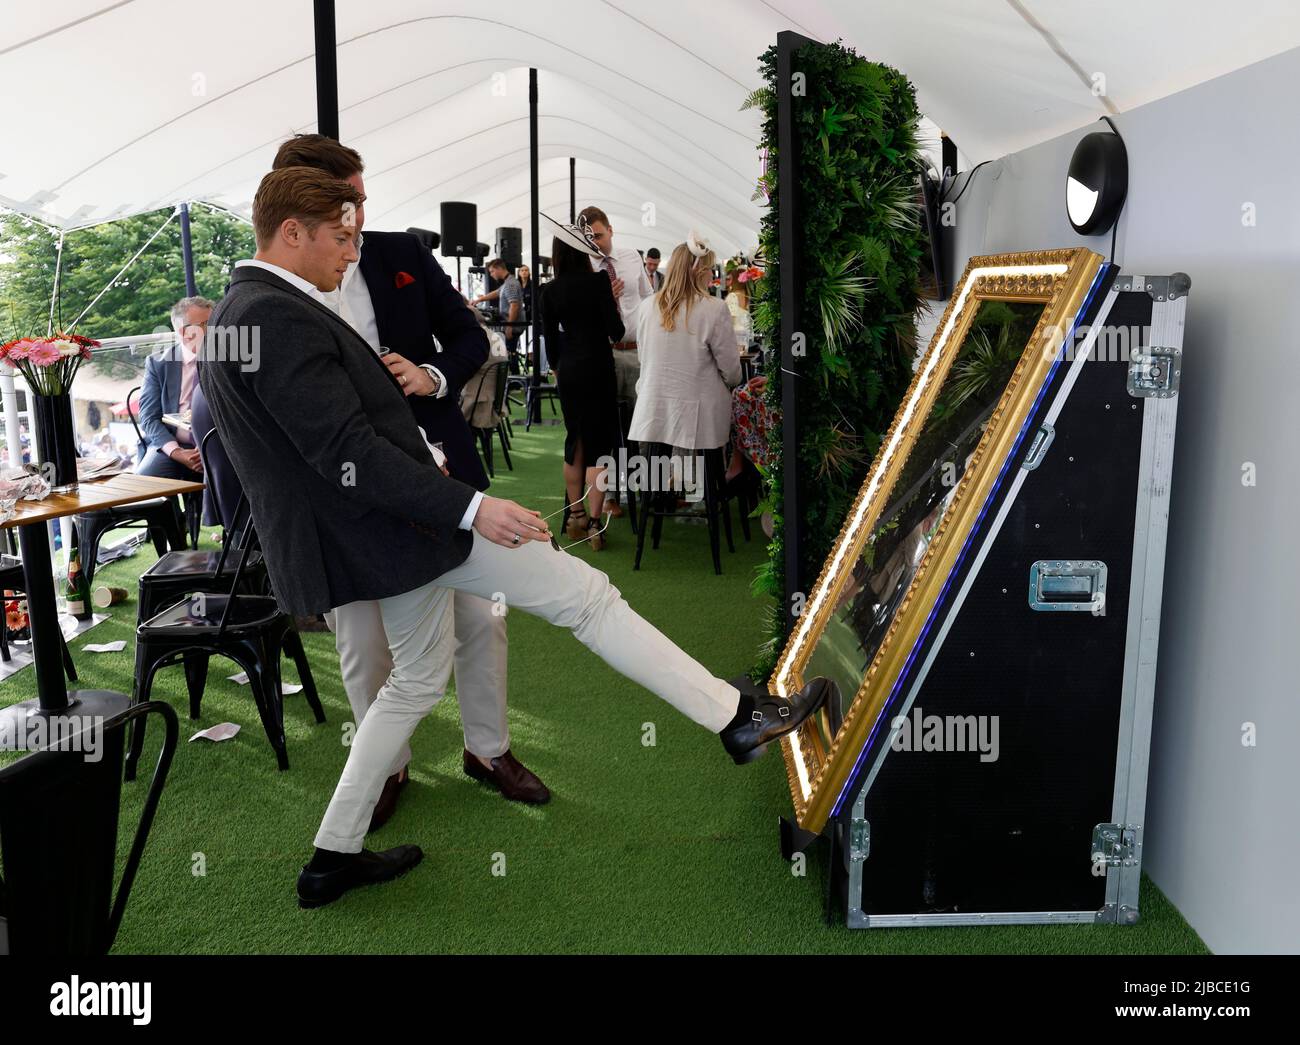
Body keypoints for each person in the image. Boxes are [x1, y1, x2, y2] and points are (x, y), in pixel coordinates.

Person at [198, 166, 831, 909]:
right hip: (406, 530)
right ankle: (736, 717)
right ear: (292, 232)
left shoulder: (253, 310)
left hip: (394, 534)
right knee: (588, 599)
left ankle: (331, 854)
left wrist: (427, 459)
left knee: (413, 682)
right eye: (342, 236)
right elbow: (347, 455)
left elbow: (343, 445)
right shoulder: (274, 314)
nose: (352, 250)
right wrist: (471, 506)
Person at [270, 133, 549, 819]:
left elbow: (471, 337)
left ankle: (488, 747)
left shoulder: (403, 254)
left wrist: (432, 374)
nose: (361, 217)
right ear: (308, 206)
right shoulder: (279, 293)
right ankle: (388, 763)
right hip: (349, 496)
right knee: (363, 642)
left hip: (443, 469)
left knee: (484, 616)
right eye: (350, 201)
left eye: (363, 200)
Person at [541, 223, 624, 549]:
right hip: (598, 369)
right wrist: (612, 300)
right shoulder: (599, 282)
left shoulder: (549, 291)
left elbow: (550, 341)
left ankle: (574, 515)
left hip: (569, 372)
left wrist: (560, 369)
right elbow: (615, 331)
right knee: (599, 446)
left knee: (574, 439)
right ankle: (593, 523)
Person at [630, 235, 742, 457]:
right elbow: (732, 374)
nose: (712, 274)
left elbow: (644, 359)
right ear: (699, 270)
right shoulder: (714, 309)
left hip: (651, 414)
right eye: (710, 268)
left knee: (660, 481)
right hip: (699, 424)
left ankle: (668, 488)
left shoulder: (646, 307)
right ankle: (700, 486)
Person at [578, 206, 651, 518]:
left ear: (611, 229)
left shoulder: (632, 257)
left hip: (638, 351)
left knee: (643, 424)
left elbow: (651, 300)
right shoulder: (582, 269)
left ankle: (648, 492)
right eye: (589, 237)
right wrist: (603, 298)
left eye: (599, 234)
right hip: (604, 355)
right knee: (607, 430)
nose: (596, 241)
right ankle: (610, 496)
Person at [138, 296, 211, 481]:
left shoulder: (226, 360)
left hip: (215, 446)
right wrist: (177, 452)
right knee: (146, 485)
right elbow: (149, 418)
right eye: (205, 324)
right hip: (171, 446)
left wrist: (211, 448)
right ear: (185, 332)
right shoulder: (158, 364)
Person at [471, 259, 524, 368]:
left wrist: (509, 326)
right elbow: (497, 292)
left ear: (499, 269)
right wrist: (479, 300)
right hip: (511, 324)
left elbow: (514, 306)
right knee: (509, 352)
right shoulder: (508, 282)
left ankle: (513, 380)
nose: (491, 274)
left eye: (492, 271)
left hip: (512, 326)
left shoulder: (510, 284)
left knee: (509, 353)